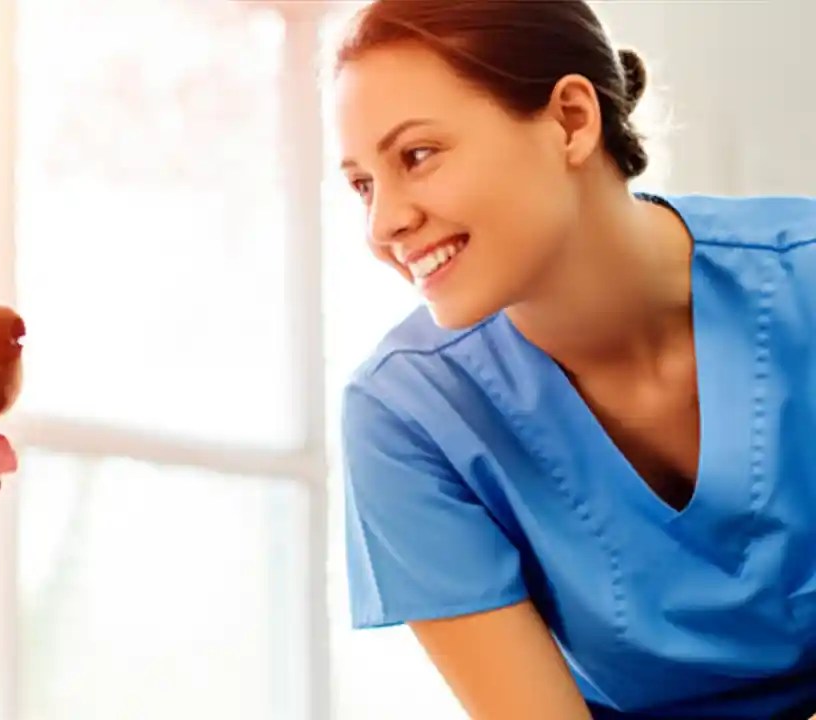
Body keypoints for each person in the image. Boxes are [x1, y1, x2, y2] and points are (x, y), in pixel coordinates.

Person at [333, 1, 816, 718]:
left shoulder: (803, 284)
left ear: (570, 120)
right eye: (363, 184)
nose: (384, 223)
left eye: (418, 156)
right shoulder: (407, 414)